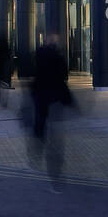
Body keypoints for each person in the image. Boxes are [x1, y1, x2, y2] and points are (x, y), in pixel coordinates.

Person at [28, 34, 73, 189]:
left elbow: (33, 74)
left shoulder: (38, 55)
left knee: (41, 123)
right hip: (55, 97)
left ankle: (38, 146)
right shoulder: (58, 57)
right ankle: (55, 168)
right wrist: (69, 100)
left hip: (41, 96)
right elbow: (63, 76)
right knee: (55, 133)